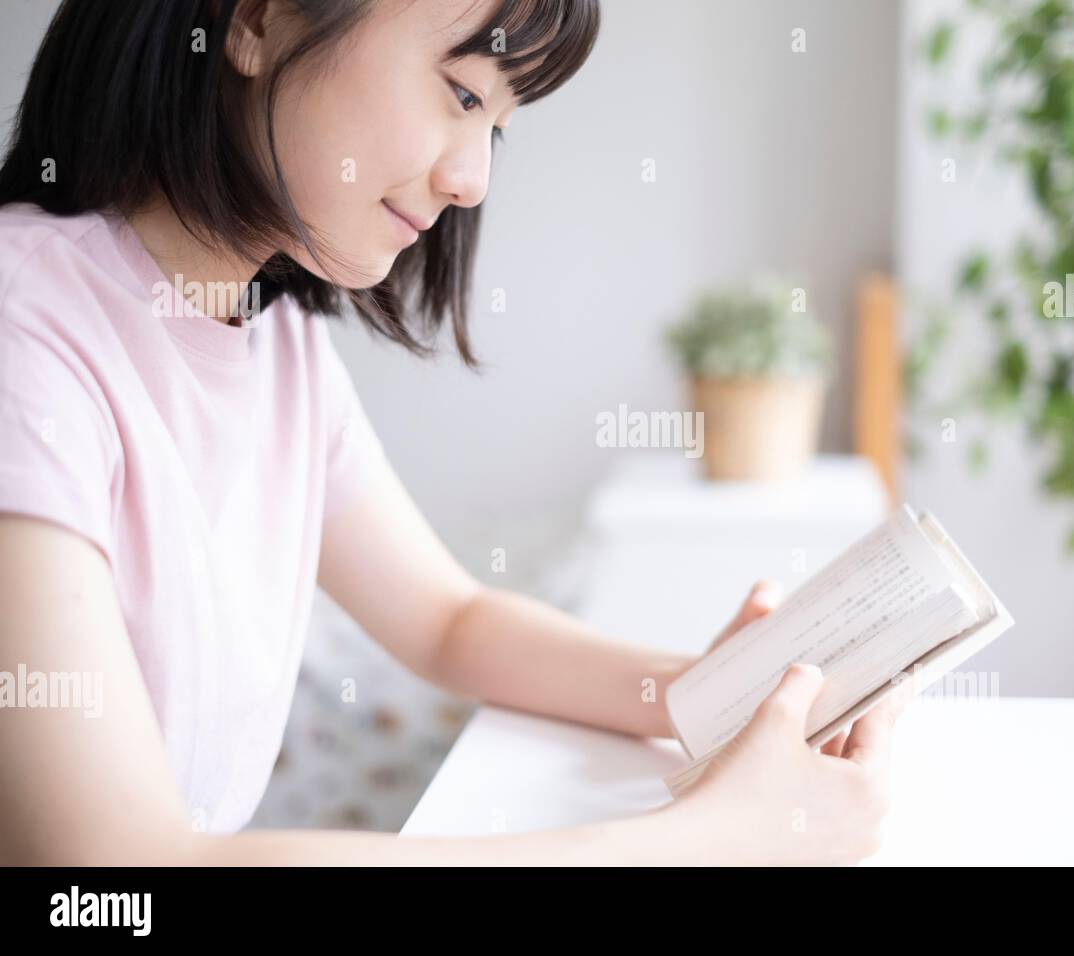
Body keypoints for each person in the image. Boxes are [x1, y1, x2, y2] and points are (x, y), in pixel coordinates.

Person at [0, 0, 905, 866]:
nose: (472, 181)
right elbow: (109, 882)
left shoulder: (278, 344)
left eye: (497, 128)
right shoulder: (26, 325)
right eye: (465, 94)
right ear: (254, 18)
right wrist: (711, 839)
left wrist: (709, 692)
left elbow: (448, 622)